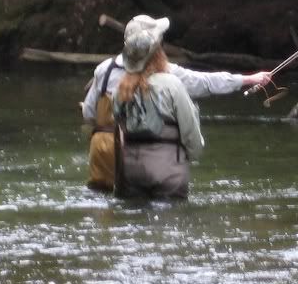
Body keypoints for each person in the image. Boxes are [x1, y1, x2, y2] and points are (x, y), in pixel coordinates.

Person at [81, 15, 270, 192]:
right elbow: (205, 82)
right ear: (156, 47)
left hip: (104, 153)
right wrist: (247, 79)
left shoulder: (104, 69)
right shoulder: (170, 76)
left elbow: (88, 114)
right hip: (148, 161)